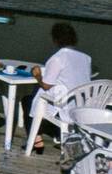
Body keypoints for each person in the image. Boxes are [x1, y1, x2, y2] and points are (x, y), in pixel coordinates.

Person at [25, 22, 93, 154]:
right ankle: (57, 136)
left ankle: (35, 140)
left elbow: (46, 84)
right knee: (38, 98)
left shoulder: (58, 58)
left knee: (28, 100)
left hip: (64, 106)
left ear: (55, 39)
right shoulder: (86, 58)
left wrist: (37, 75)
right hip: (80, 104)